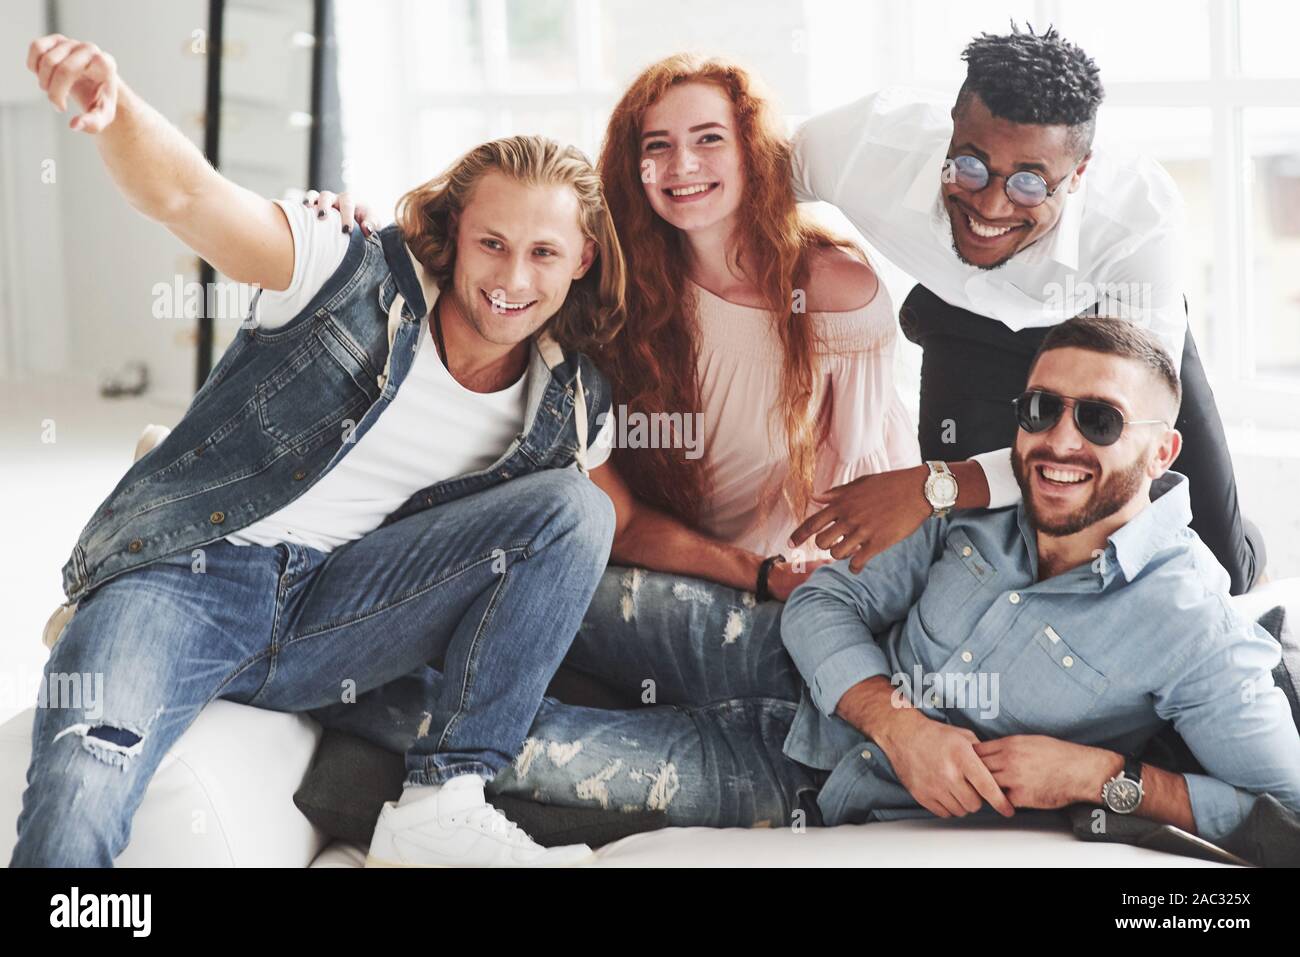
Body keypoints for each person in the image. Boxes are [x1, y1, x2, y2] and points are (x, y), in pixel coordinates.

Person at [13, 33, 625, 868]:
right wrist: (116, 111)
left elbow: (574, 544)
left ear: (583, 257)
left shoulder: (574, 404)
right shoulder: (343, 269)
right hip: (192, 580)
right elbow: (191, 198)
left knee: (575, 509)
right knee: (81, 788)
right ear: (455, 228)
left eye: (544, 252)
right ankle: (128, 570)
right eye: (493, 243)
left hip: (342, 615)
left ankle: (444, 796)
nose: (512, 277)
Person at [484, 317, 1300, 845]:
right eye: (1041, 407)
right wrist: (899, 721)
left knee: (506, 748)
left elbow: (1286, 814)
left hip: (804, 776)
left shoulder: (1194, 623)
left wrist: (1100, 778)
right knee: (539, 591)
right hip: (784, 660)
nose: (1058, 440)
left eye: (1100, 419)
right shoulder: (980, 501)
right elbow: (825, 598)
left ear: (1162, 453)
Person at [310, 54, 918, 724]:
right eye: (658, 146)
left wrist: (817, 596)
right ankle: (401, 722)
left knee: (790, 675)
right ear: (636, 170)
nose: (683, 165)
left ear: (754, 150)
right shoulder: (611, 285)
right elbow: (480, 264)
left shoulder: (836, 294)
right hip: (642, 570)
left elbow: (871, 487)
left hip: (766, 586)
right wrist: (340, 236)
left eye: (709, 138)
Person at [788, 24, 1264, 598]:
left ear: (1079, 174)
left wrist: (930, 485)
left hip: (1108, 335)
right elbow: (733, 182)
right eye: (969, 166)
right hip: (964, 326)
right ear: (951, 131)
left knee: (1218, 569)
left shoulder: (1138, 220)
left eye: (1029, 185)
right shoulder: (862, 146)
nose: (990, 204)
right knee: (974, 555)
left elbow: (1122, 435)